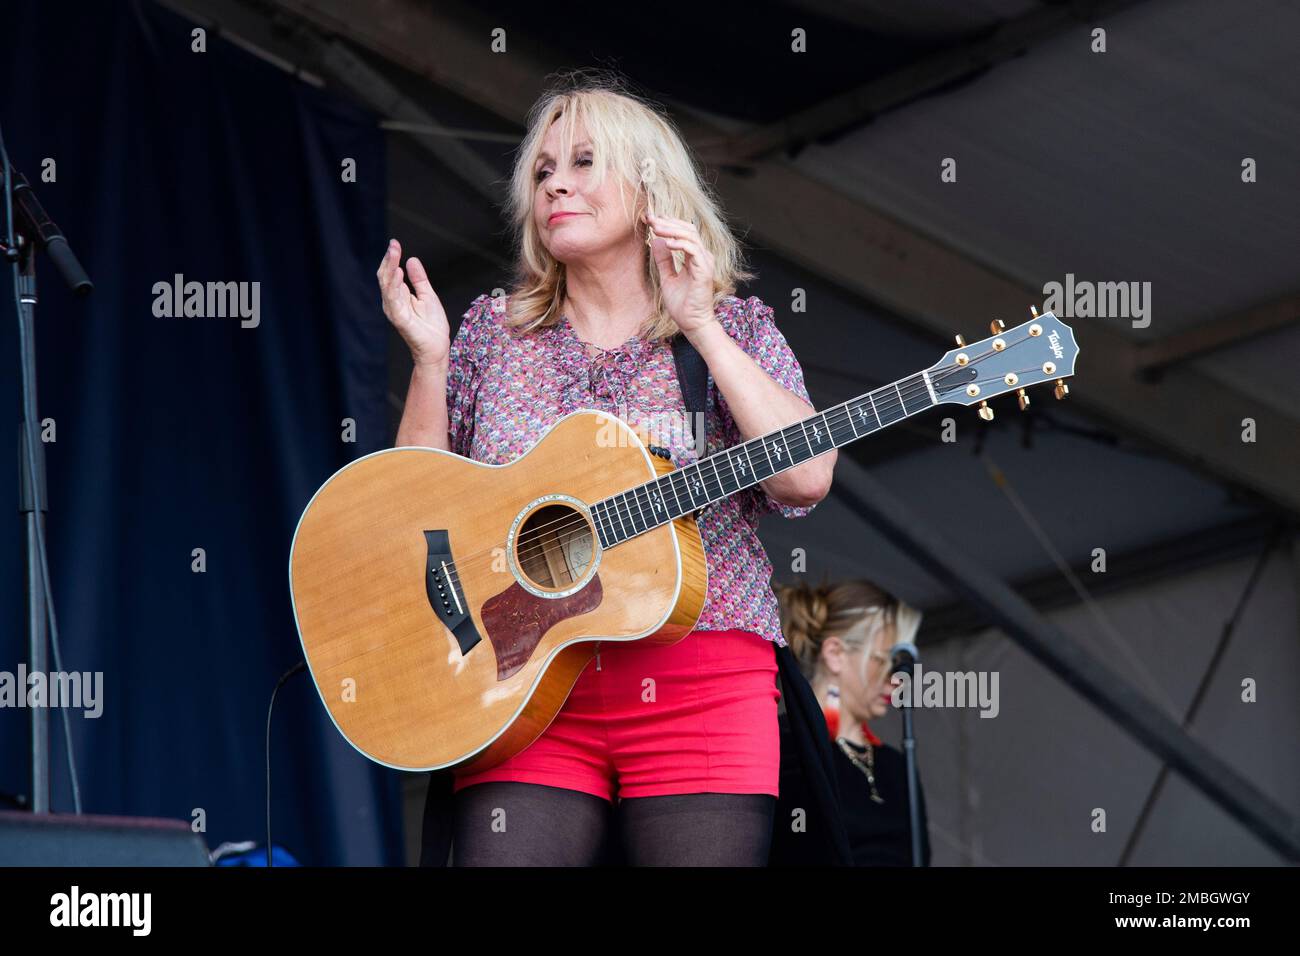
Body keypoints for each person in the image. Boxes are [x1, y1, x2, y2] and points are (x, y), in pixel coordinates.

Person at [379, 72, 837, 866]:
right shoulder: (494, 330)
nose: (556, 182)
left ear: (651, 185)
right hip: (522, 684)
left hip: (700, 680)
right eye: (543, 170)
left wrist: (699, 322)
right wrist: (429, 361)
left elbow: (804, 479)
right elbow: (413, 502)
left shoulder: (732, 326)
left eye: (584, 162)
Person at [772, 580, 932, 866]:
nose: (897, 679)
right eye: (884, 661)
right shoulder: (783, 747)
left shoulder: (896, 765)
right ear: (836, 655)